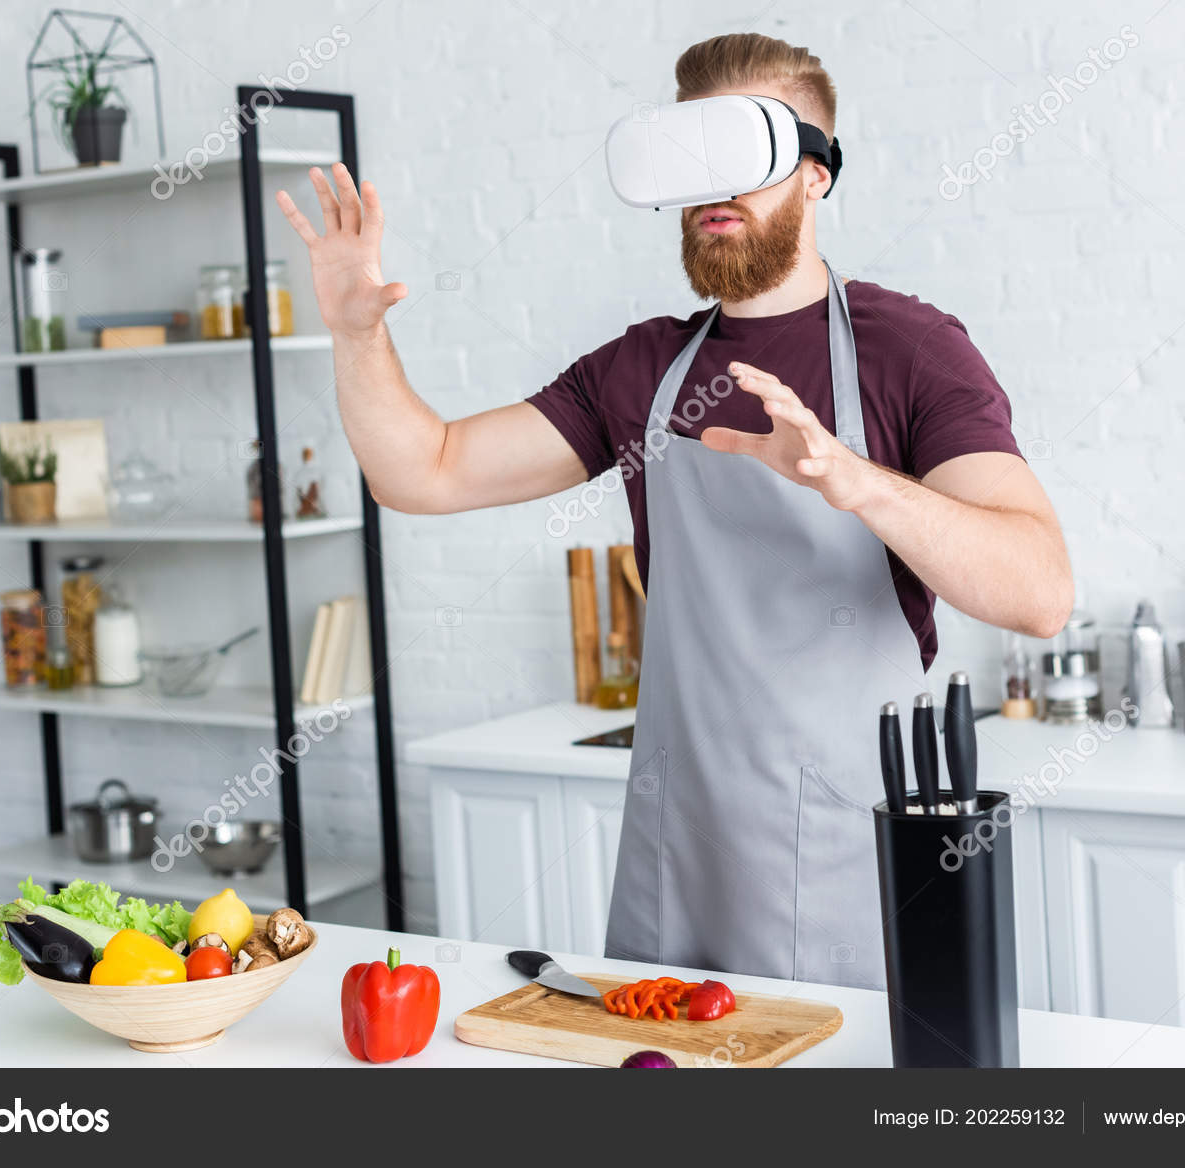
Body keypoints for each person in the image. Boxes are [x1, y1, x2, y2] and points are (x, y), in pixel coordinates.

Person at [277, 32, 1072, 988]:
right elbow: (426, 472)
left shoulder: (914, 351)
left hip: (851, 859)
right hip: (679, 851)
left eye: (748, 158)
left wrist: (851, 477)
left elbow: (1040, 592)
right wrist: (355, 334)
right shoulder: (644, 369)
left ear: (816, 173)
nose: (716, 191)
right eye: (696, 162)